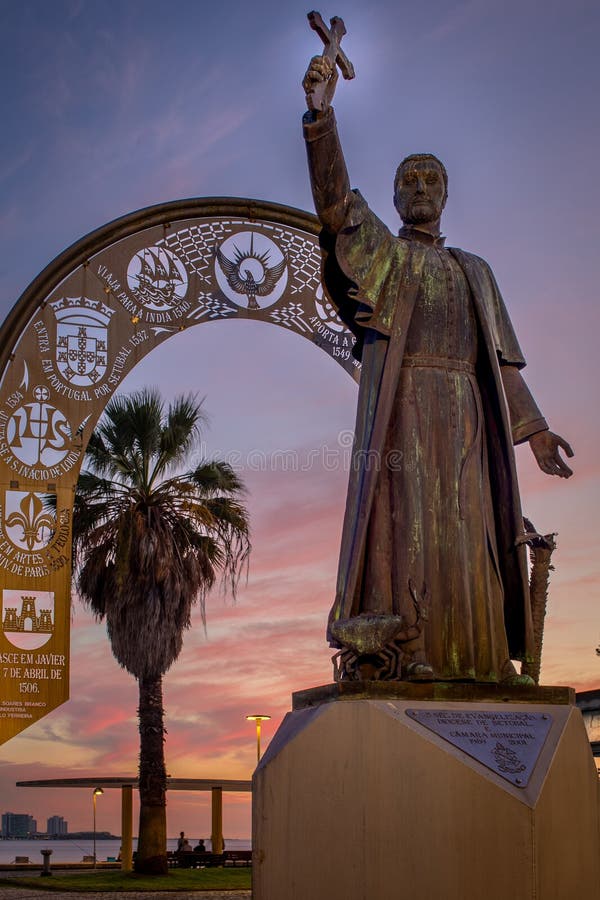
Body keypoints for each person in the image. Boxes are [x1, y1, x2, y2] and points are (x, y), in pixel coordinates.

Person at [302, 55, 573, 684]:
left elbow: (500, 362)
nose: (420, 189)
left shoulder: (476, 270)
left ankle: (477, 659)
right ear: (395, 195)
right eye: (409, 181)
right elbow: (336, 208)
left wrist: (534, 431)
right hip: (406, 410)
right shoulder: (388, 256)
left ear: (446, 195)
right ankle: (411, 650)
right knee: (411, 531)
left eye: (431, 181)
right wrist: (322, 119)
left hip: (470, 419)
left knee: (471, 538)